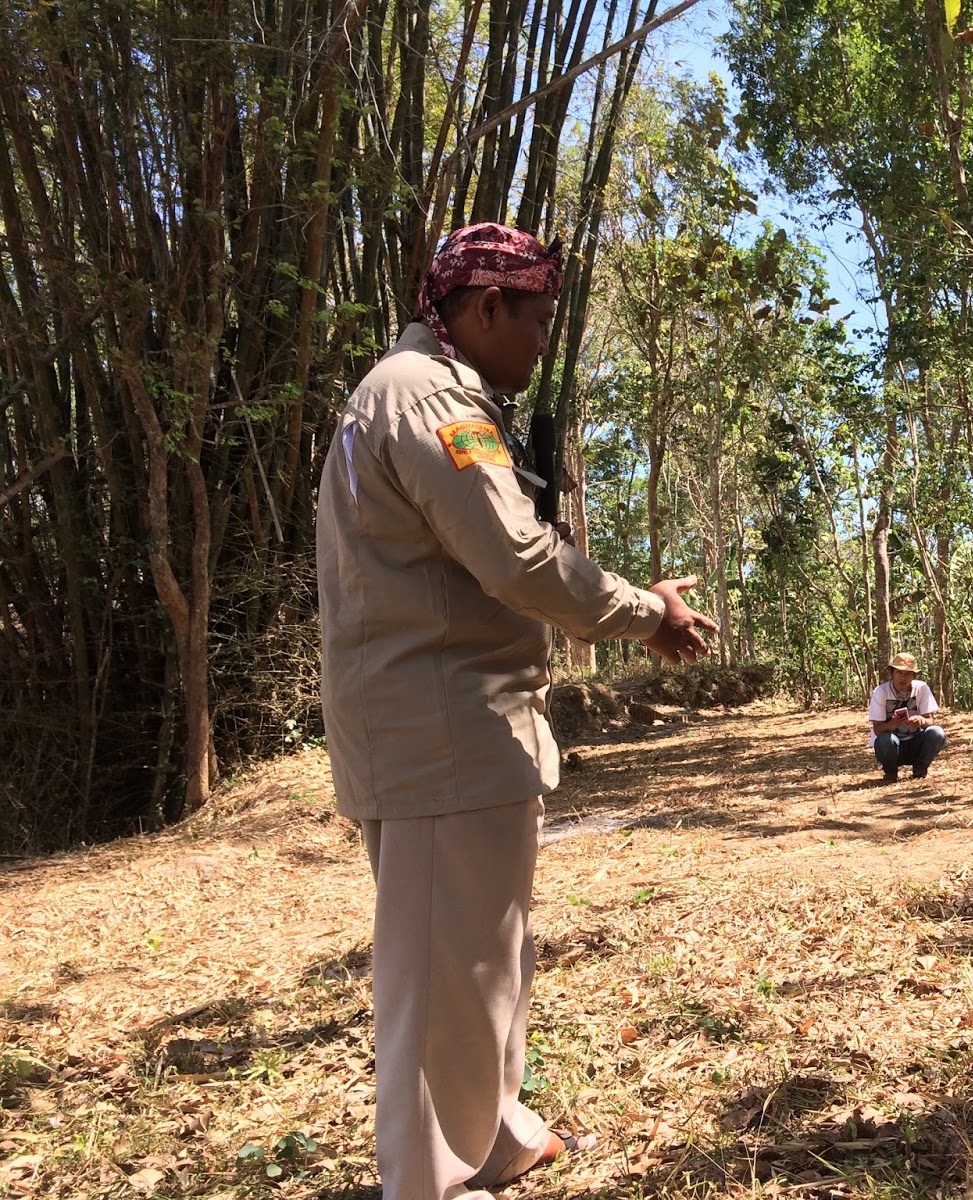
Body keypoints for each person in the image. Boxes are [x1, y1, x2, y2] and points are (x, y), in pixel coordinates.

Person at [317, 223, 718, 1200]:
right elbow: (518, 559)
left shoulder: (414, 395)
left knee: (482, 959)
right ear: (485, 306)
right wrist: (645, 611)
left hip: (455, 726)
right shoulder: (429, 398)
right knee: (437, 974)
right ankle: (427, 1181)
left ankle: (492, 1139)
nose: (542, 342)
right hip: (440, 729)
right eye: (536, 320)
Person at [868, 652, 947, 782]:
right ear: (892, 673)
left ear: (914, 676)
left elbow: (930, 721)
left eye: (907, 674)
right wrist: (892, 724)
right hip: (892, 747)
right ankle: (890, 773)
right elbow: (877, 730)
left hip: (915, 743)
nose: (902, 678)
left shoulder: (921, 688)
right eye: (899, 673)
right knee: (885, 740)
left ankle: (920, 769)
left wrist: (921, 721)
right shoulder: (881, 692)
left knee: (937, 732)